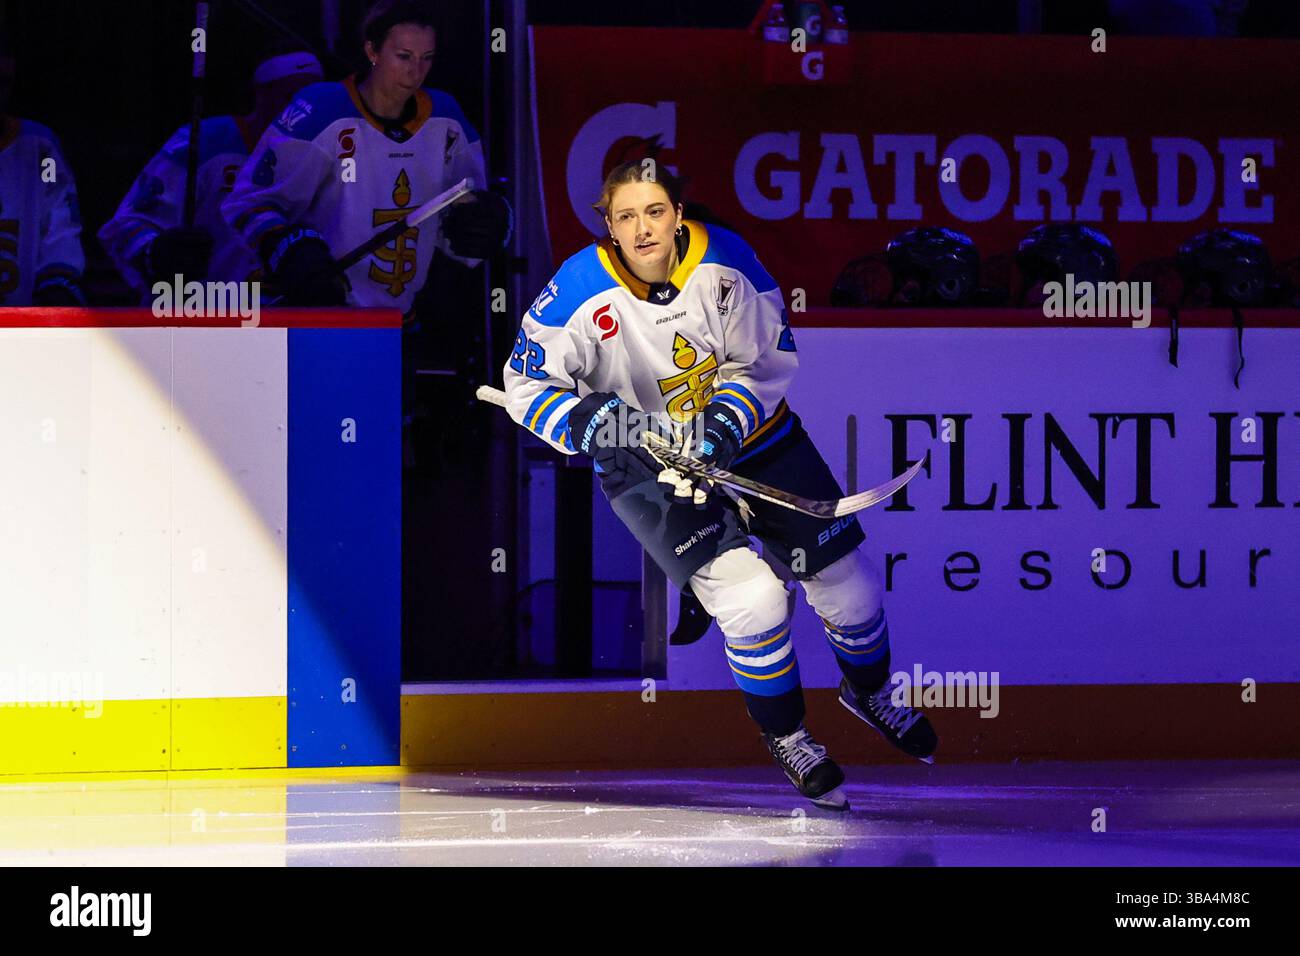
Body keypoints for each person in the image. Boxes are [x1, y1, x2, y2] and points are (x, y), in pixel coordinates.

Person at [503, 161, 938, 810]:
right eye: (625, 217)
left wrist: (724, 426)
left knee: (852, 586)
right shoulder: (577, 290)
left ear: (680, 213)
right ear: (609, 227)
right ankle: (790, 735)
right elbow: (523, 387)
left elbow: (765, 360)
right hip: (644, 469)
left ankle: (868, 689)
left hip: (756, 443)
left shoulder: (726, 262)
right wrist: (586, 420)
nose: (642, 229)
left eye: (654, 211)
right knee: (757, 601)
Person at [221, 0, 510, 310]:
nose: (415, 72)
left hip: (394, 323)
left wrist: (493, 223)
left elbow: (467, 214)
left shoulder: (447, 120)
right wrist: (290, 248)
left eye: (426, 58)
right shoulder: (322, 111)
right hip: (310, 317)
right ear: (373, 52)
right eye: (403, 57)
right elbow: (245, 203)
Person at [99, 48, 324, 298]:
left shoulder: (326, 151)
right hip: (199, 317)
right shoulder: (205, 141)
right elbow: (126, 225)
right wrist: (158, 253)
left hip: (285, 323)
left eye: (312, 102)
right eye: (290, 98)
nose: (302, 111)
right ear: (261, 93)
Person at [0, 49, 85, 306]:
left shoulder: (39, 147)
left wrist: (57, 280)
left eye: (3, 82)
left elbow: (59, 224)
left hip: (19, 325)